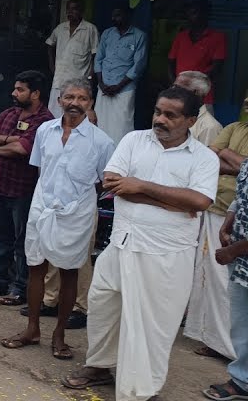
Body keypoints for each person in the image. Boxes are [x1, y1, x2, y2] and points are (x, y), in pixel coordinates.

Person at [62, 86, 219, 399]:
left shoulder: (204, 158)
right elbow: (111, 182)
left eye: (171, 115)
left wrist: (140, 186)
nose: (160, 119)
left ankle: (141, 389)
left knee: (153, 324)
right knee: (103, 306)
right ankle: (100, 366)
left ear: (191, 120)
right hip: (121, 243)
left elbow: (200, 201)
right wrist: (172, 202)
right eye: (158, 112)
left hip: (166, 253)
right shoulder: (134, 140)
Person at [0, 79, 114, 361]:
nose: (75, 103)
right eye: (69, 97)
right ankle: (32, 329)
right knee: (36, 267)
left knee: (69, 272)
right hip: (42, 206)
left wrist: (76, 201)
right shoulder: (45, 131)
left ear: (90, 103)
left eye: (82, 98)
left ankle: (59, 335)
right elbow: (41, 169)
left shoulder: (101, 141)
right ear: (60, 100)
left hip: (77, 213)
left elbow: (104, 183)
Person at [0, 70, 53, 304]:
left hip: (24, 190)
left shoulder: (45, 121)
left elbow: (23, 150)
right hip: (0, 185)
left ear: (35, 94)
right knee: (0, 236)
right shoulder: (10, 113)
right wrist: (8, 140)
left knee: (22, 241)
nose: (14, 93)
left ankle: (20, 288)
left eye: (20, 90)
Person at [187, 90, 248, 362]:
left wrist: (229, 155)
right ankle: (215, 340)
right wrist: (238, 162)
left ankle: (232, 350)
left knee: (228, 283)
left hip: (235, 216)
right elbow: (211, 157)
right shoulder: (234, 127)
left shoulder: (220, 127)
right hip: (223, 209)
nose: (246, 104)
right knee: (211, 277)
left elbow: (236, 164)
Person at [205, 148, 248, 400]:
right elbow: (240, 197)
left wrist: (232, 251)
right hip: (242, 261)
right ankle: (243, 380)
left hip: (239, 253)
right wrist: (227, 224)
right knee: (242, 322)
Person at [94, 7, 148, 143]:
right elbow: (98, 59)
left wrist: (118, 86)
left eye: (118, 15)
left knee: (121, 126)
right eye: (113, 15)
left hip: (124, 89)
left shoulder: (139, 36)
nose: (113, 19)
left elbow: (138, 66)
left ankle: (120, 152)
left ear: (128, 15)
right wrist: (101, 83)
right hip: (104, 88)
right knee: (100, 122)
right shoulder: (107, 33)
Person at [46, 0, 99, 117]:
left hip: (79, 81)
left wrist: (91, 76)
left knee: (75, 114)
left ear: (81, 11)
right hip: (59, 80)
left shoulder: (90, 29)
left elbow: (95, 55)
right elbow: (49, 44)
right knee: (54, 114)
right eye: (68, 9)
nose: (70, 12)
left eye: (74, 9)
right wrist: (52, 66)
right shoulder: (60, 28)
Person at [169, 0, 227, 105]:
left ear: (205, 15)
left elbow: (217, 67)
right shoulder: (181, 36)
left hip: (203, 95)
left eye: (194, 12)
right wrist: (176, 85)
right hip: (179, 94)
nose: (190, 16)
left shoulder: (217, 37)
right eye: (189, 13)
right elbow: (171, 63)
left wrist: (194, 85)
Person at [176, 71, 226, 147]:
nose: (172, 91)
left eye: (178, 88)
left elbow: (208, 154)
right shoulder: (170, 116)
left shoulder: (209, 127)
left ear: (195, 92)